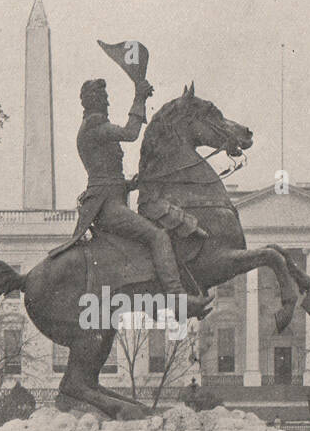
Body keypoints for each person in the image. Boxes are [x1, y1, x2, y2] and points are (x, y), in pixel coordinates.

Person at [56, 77, 211, 319]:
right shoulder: (95, 128)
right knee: (158, 236)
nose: (107, 103)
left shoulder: (93, 129)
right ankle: (177, 298)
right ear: (94, 101)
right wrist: (139, 97)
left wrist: (131, 184)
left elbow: (105, 177)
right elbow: (130, 133)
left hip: (111, 199)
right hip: (106, 208)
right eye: (104, 99)